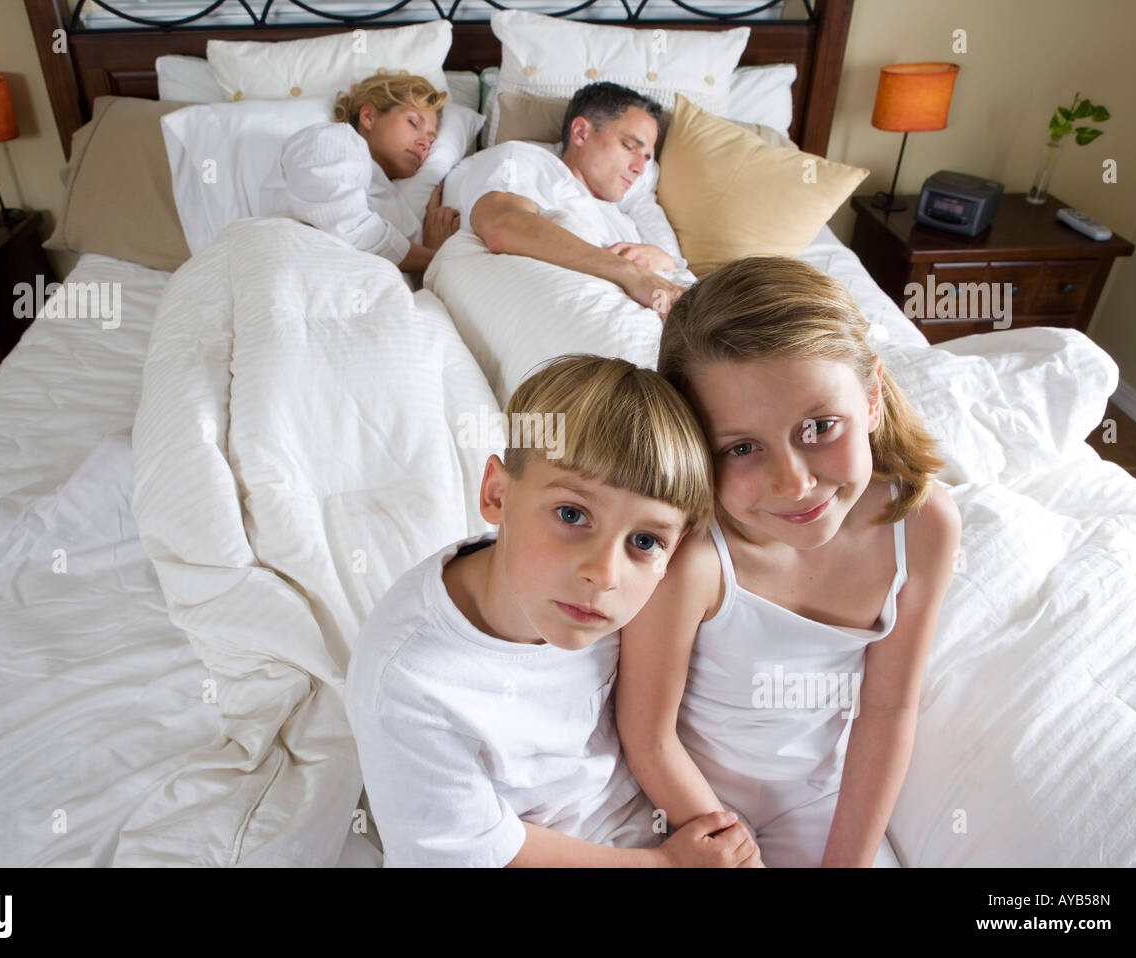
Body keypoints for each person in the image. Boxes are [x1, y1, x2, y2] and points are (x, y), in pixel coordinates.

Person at [344, 354, 763, 867]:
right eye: (572, 514)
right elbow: (475, 850)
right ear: (497, 494)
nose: (604, 574)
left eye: (644, 540)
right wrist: (668, 864)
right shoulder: (411, 681)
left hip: (631, 826)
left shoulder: (622, 597)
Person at [617, 256, 962, 867]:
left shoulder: (922, 525)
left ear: (873, 399)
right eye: (743, 447)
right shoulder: (693, 558)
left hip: (816, 802)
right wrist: (734, 855)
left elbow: (887, 708)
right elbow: (649, 736)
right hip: (681, 807)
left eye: (820, 427)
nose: (794, 483)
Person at [442, 82, 688, 319]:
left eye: (646, 158)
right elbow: (503, 225)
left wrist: (664, 260)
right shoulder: (529, 161)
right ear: (581, 133)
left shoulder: (627, 221)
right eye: (629, 146)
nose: (639, 168)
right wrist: (633, 275)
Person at [259, 71, 461, 274]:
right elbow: (345, 226)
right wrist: (437, 257)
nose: (424, 142)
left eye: (431, 139)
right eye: (413, 123)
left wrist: (432, 249)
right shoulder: (333, 139)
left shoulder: (399, 204)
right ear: (369, 117)